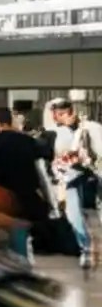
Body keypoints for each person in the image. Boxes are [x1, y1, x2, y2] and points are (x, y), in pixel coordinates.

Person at [0, 107, 51, 259]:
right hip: (26, 200)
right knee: (20, 242)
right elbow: (46, 152)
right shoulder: (26, 140)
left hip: (1, 201)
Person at [47, 98, 102, 268]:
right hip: (72, 176)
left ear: (69, 112)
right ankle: (85, 248)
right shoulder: (60, 132)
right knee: (73, 215)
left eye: (60, 115)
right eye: (55, 115)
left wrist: (87, 160)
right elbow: (60, 155)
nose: (57, 119)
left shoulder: (91, 128)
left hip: (96, 174)